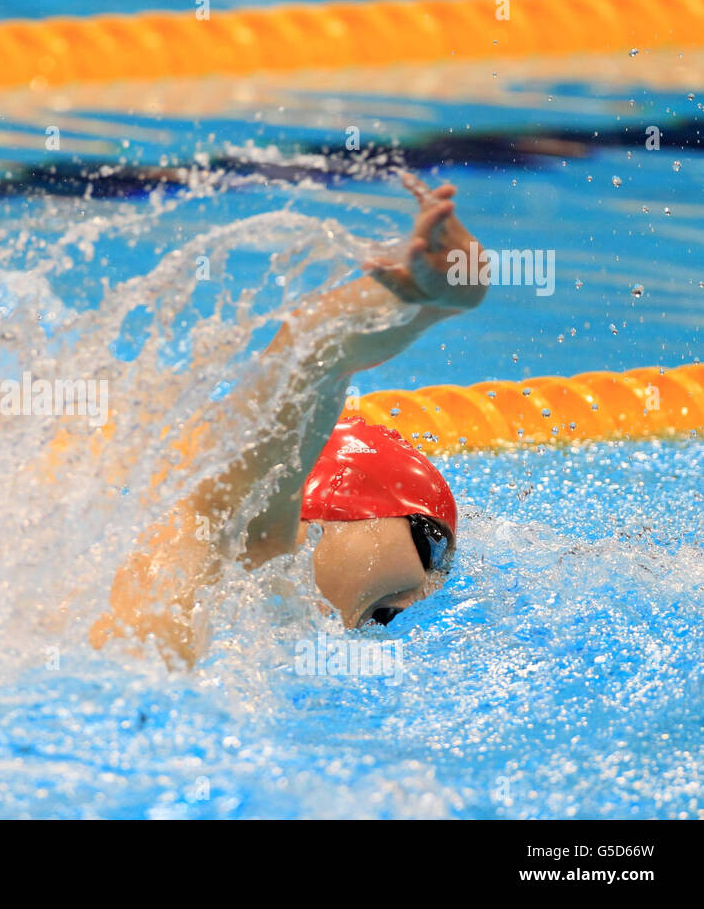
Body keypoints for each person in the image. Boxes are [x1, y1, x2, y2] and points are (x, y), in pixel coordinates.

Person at [89, 174, 487, 666]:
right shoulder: (216, 524)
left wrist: (412, 305)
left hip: (349, 518)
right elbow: (311, 355)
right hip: (408, 527)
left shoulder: (194, 535)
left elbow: (312, 351)